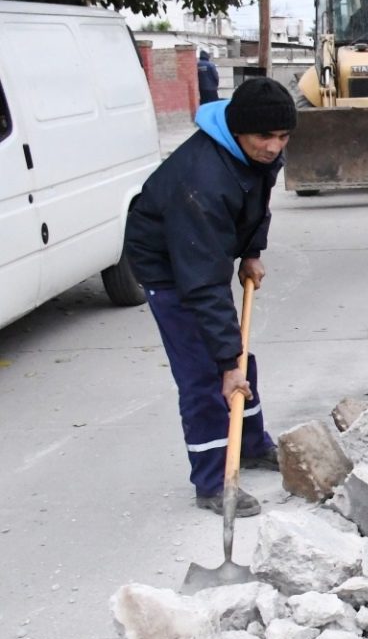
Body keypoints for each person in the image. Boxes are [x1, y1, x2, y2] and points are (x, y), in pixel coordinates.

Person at [125, 78, 297, 518]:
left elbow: (258, 198)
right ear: (239, 131)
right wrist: (224, 364)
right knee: (206, 374)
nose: (274, 147)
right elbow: (200, 285)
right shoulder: (202, 177)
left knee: (237, 359)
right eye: (265, 137)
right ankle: (214, 481)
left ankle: (253, 444)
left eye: (282, 137)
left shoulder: (254, 151)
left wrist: (252, 251)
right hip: (170, 267)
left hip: (204, 250)